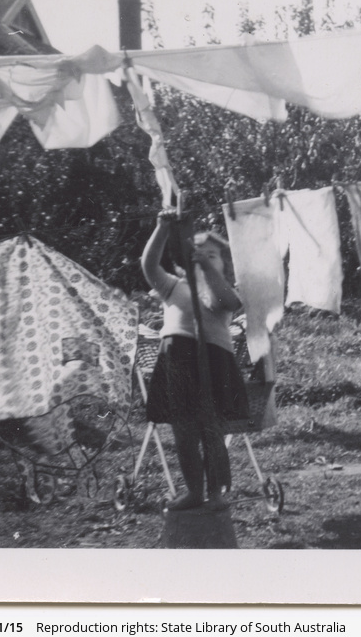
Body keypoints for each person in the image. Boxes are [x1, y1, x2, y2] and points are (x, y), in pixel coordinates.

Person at [141, 210, 249, 510]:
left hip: (214, 361)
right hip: (177, 358)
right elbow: (148, 265)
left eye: (212, 254)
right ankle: (194, 492)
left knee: (211, 430)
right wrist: (162, 229)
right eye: (197, 251)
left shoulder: (223, 291)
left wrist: (205, 267)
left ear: (225, 265)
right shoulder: (174, 286)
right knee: (184, 433)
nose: (203, 256)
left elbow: (227, 302)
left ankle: (215, 494)